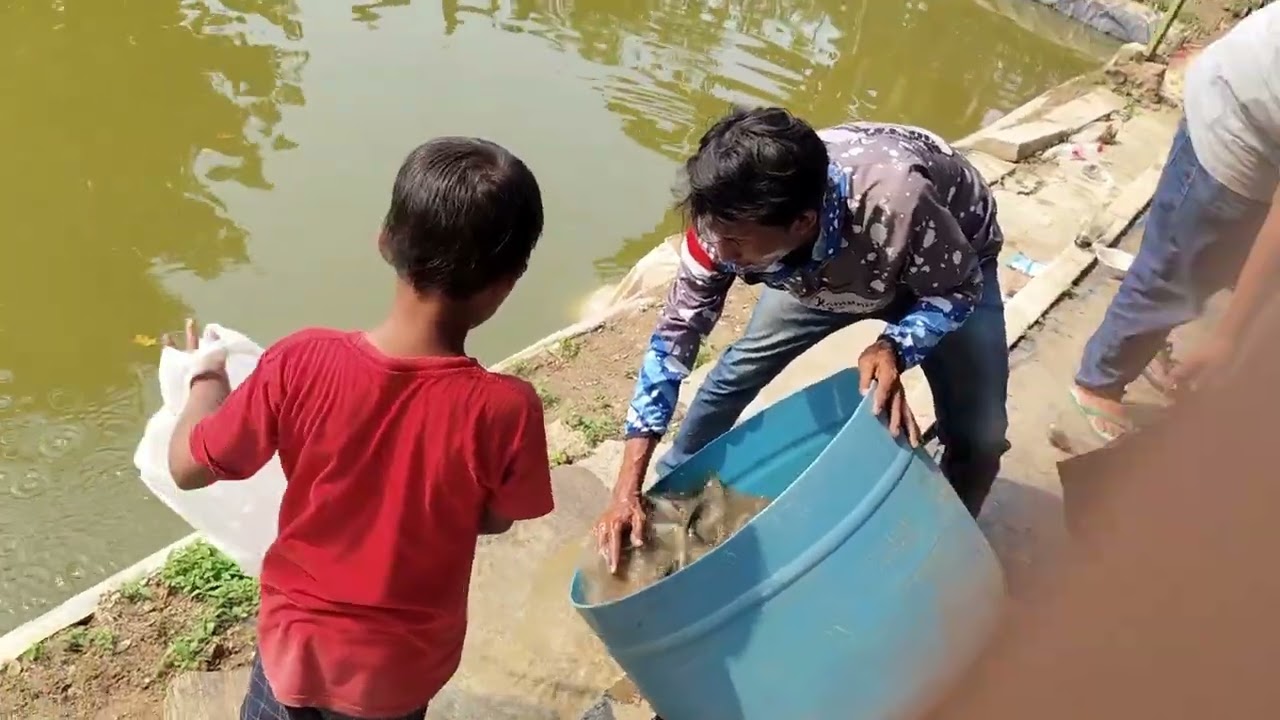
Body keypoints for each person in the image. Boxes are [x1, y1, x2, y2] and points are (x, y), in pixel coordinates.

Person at [165, 137, 554, 720]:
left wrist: (205, 379)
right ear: (510, 280)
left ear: (385, 240)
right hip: (399, 673)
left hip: (295, 650)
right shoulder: (505, 410)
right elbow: (495, 519)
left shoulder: (301, 362)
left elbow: (188, 466)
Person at [593, 106, 1011, 568]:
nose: (719, 251)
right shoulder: (723, 223)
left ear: (801, 222)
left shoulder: (899, 199)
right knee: (738, 370)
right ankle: (672, 492)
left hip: (939, 266)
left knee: (981, 436)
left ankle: (944, 548)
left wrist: (896, 343)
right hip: (815, 275)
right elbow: (675, 339)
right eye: (714, 233)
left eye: (735, 243)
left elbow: (959, 288)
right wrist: (626, 485)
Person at [1071, 2, 1280, 440]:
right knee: (1176, 268)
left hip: (1258, 98)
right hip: (1238, 119)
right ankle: (1099, 382)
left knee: (1222, 265)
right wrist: (1228, 337)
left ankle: (1150, 348)